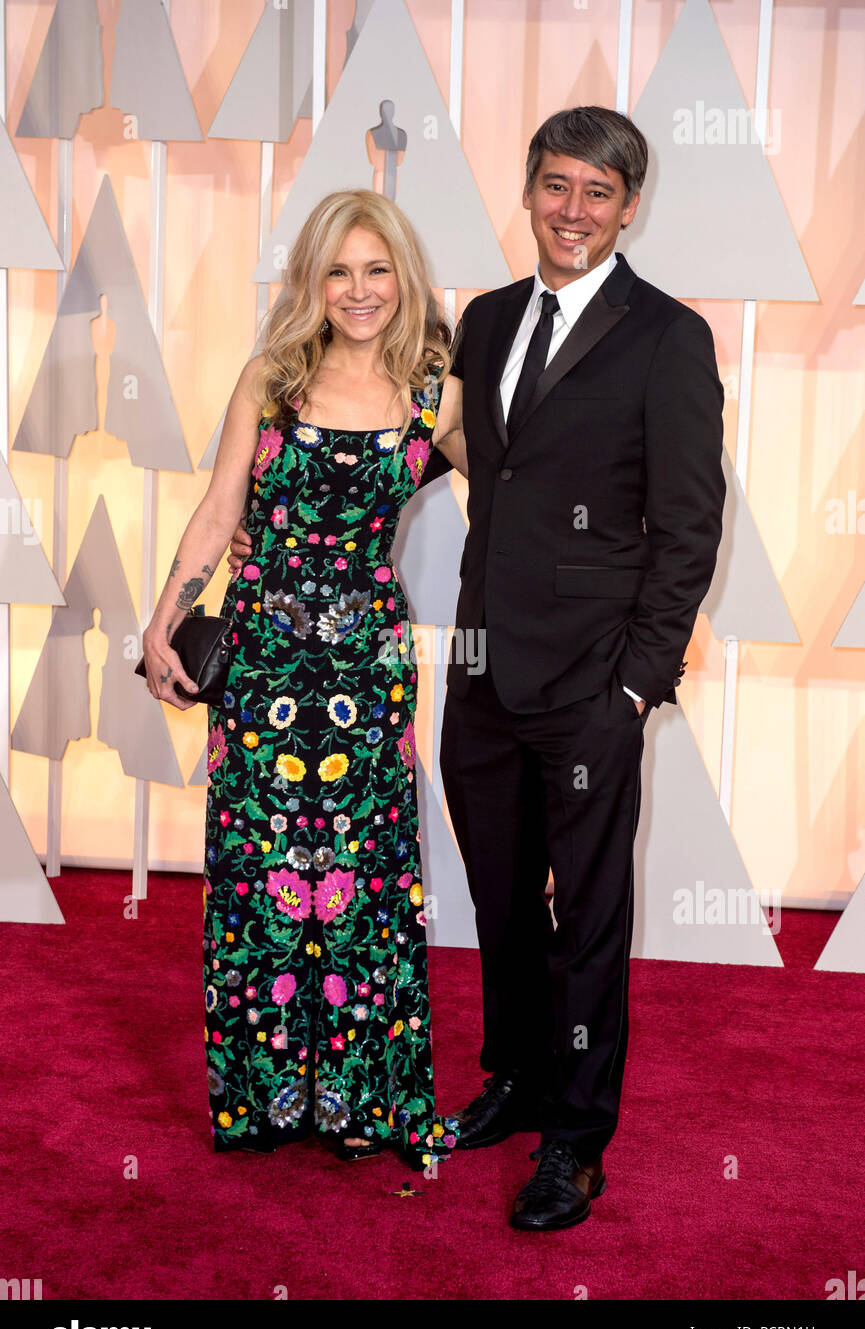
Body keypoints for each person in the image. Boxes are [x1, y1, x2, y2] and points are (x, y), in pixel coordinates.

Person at [229, 106, 726, 1230]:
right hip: (482, 676)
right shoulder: (486, 324)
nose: (573, 211)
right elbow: (394, 433)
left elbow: (689, 527)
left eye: (598, 193)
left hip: (596, 688)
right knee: (502, 900)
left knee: (586, 922)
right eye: (556, 185)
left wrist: (637, 688)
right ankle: (514, 1077)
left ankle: (575, 1140)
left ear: (629, 205)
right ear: (529, 189)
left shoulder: (668, 337)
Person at [141, 188, 467, 1171]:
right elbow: (215, 510)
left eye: (377, 270)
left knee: (366, 886)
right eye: (339, 271)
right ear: (311, 281)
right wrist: (163, 618)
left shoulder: (435, 392)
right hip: (263, 662)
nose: (359, 291)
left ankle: (367, 1102)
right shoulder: (270, 378)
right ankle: (265, 1101)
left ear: (401, 278)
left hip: (366, 666)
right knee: (261, 880)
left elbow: (514, 499)